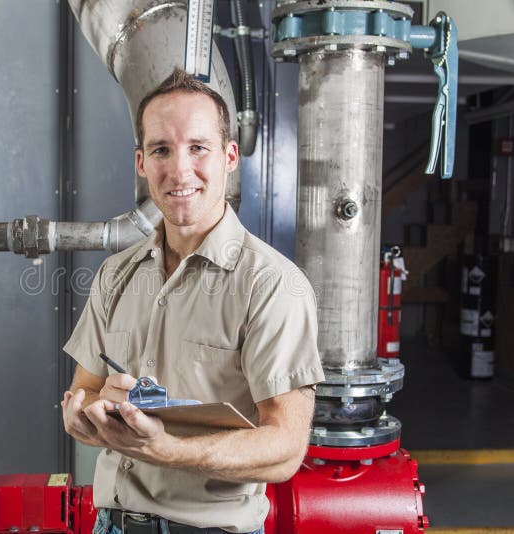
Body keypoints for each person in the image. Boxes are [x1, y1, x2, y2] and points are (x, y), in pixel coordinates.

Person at [61, 67, 324, 534]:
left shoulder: (273, 285)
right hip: (111, 524)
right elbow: (86, 392)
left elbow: (285, 447)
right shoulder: (114, 275)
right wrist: (84, 417)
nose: (180, 170)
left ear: (229, 157)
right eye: (162, 150)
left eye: (198, 148)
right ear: (141, 163)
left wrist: (165, 449)